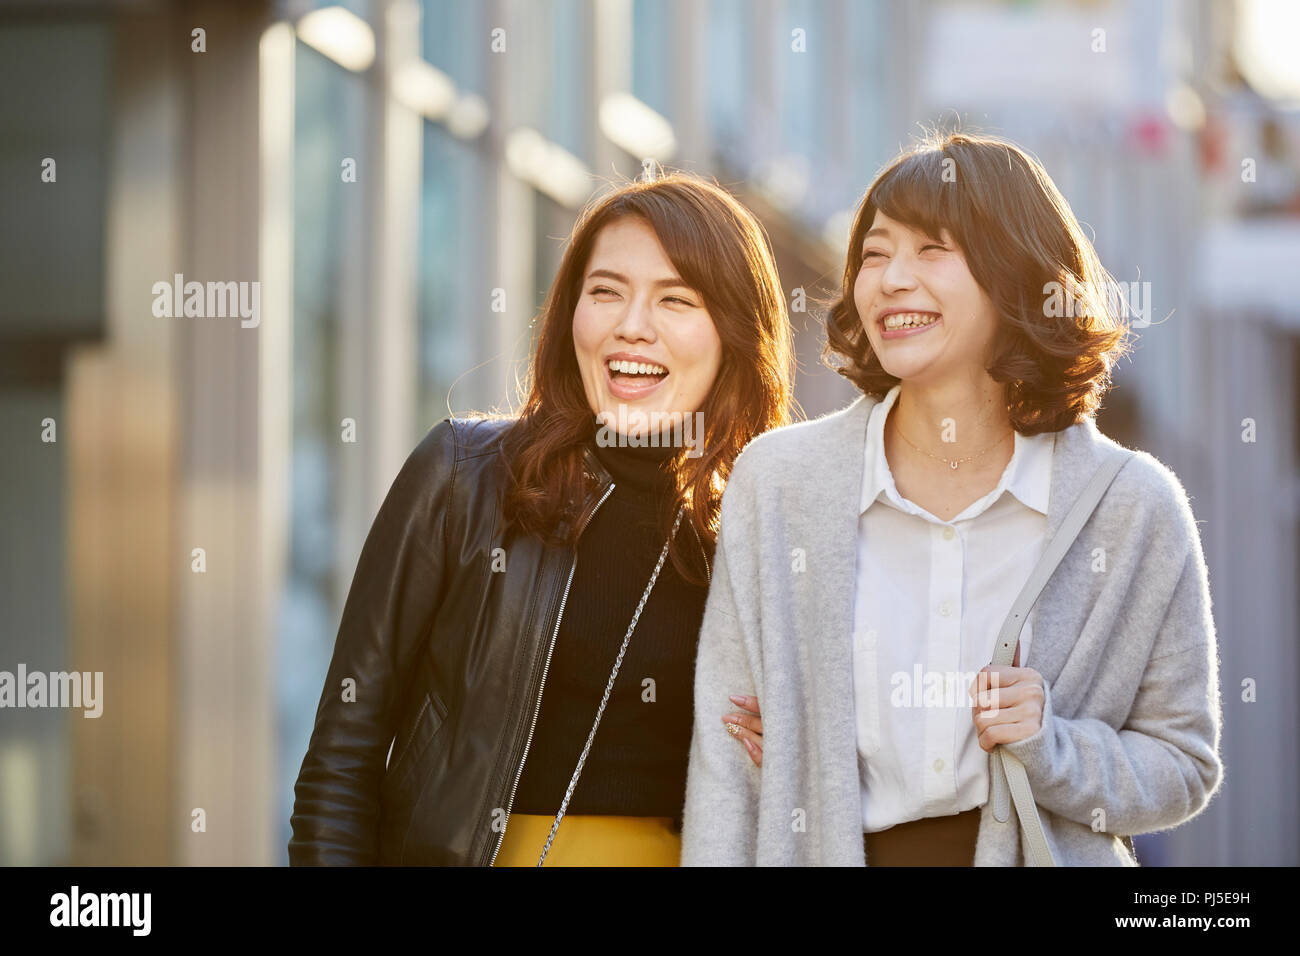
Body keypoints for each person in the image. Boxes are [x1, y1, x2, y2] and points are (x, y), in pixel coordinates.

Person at [681, 131, 1223, 866]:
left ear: (1019, 278)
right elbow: (725, 767)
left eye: (932, 250)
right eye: (874, 253)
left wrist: (1052, 745)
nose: (891, 279)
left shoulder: (1131, 507)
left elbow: (1183, 766)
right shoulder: (777, 485)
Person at [288, 170, 794, 866]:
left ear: (734, 334)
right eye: (606, 292)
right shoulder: (465, 477)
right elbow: (342, 757)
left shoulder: (762, 530)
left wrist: (793, 765)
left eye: (675, 299)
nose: (631, 326)